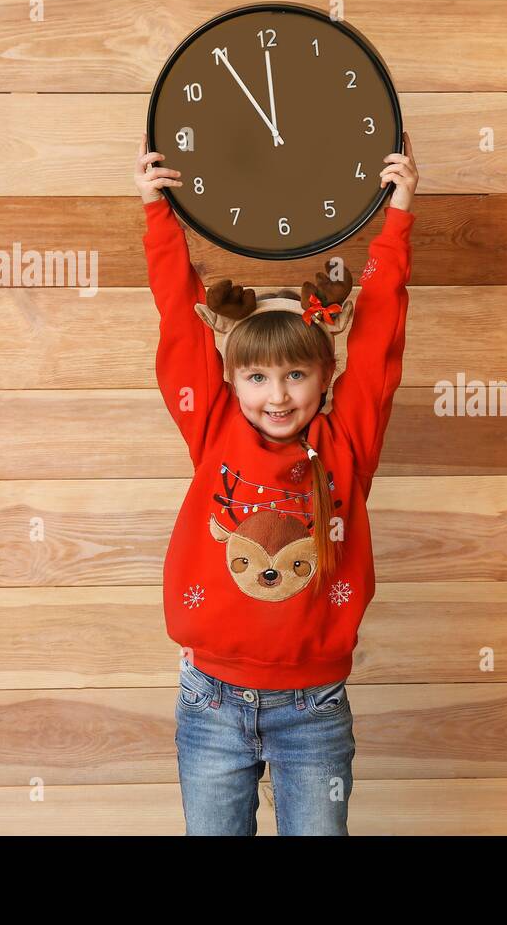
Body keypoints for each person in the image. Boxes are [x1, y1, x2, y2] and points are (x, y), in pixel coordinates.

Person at [133, 129, 418, 835]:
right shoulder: (213, 430)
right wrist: (155, 213)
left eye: (296, 373)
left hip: (312, 710)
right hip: (211, 704)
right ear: (232, 380)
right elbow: (179, 319)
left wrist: (399, 216)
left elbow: (379, 332)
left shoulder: (347, 441)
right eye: (257, 376)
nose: (278, 394)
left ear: (326, 378)